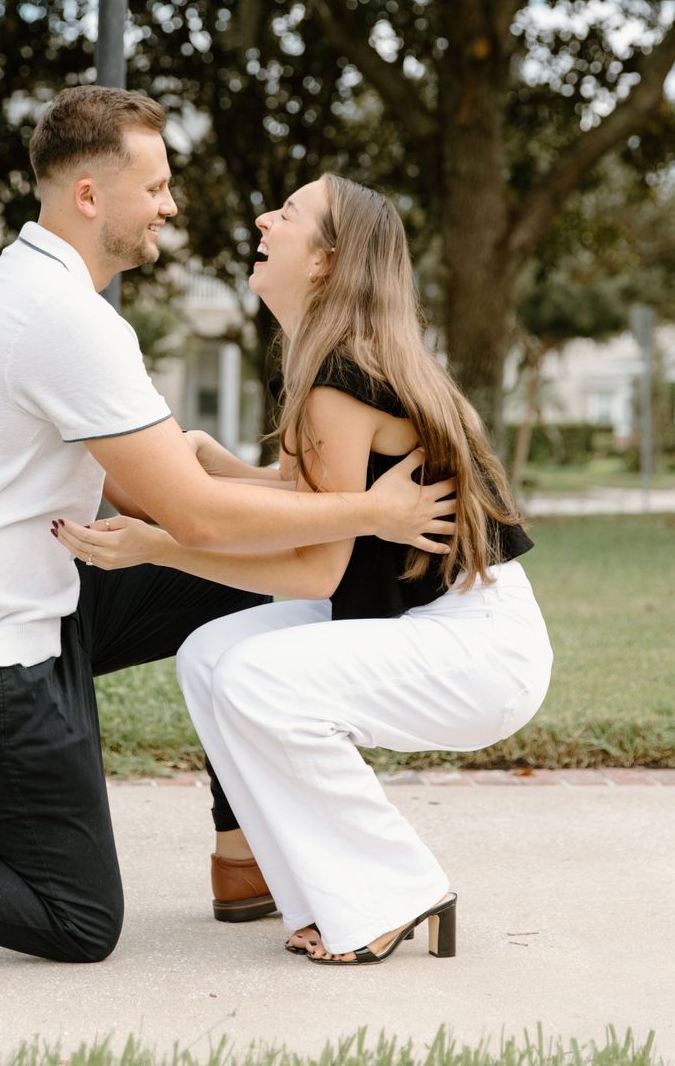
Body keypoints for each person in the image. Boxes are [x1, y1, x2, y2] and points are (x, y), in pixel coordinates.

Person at [0, 89, 458, 970]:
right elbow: (185, 512)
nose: (170, 207)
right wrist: (371, 511)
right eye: (155, 187)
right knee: (75, 918)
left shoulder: (47, 294)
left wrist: (248, 485)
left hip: (38, 602)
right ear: (88, 196)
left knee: (254, 577)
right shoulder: (62, 320)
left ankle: (242, 851)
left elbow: (155, 499)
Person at [55, 173, 553, 966]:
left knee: (257, 678)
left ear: (326, 260)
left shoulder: (338, 378)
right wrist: (218, 469)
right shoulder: (333, 360)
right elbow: (317, 502)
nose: (263, 217)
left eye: (287, 213)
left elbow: (318, 568)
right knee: (209, 656)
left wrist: (164, 544)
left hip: (474, 646)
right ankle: (325, 893)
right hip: (429, 624)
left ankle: (394, 891)